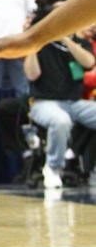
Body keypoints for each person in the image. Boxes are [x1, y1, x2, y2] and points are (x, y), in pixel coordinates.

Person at [24, 16, 96, 189]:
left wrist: (67, 40)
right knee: (60, 120)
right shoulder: (41, 46)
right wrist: (33, 44)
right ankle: (53, 168)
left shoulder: (79, 43)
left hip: (75, 102)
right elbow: (32, 75)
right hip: (44, 103)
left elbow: (89, 62)